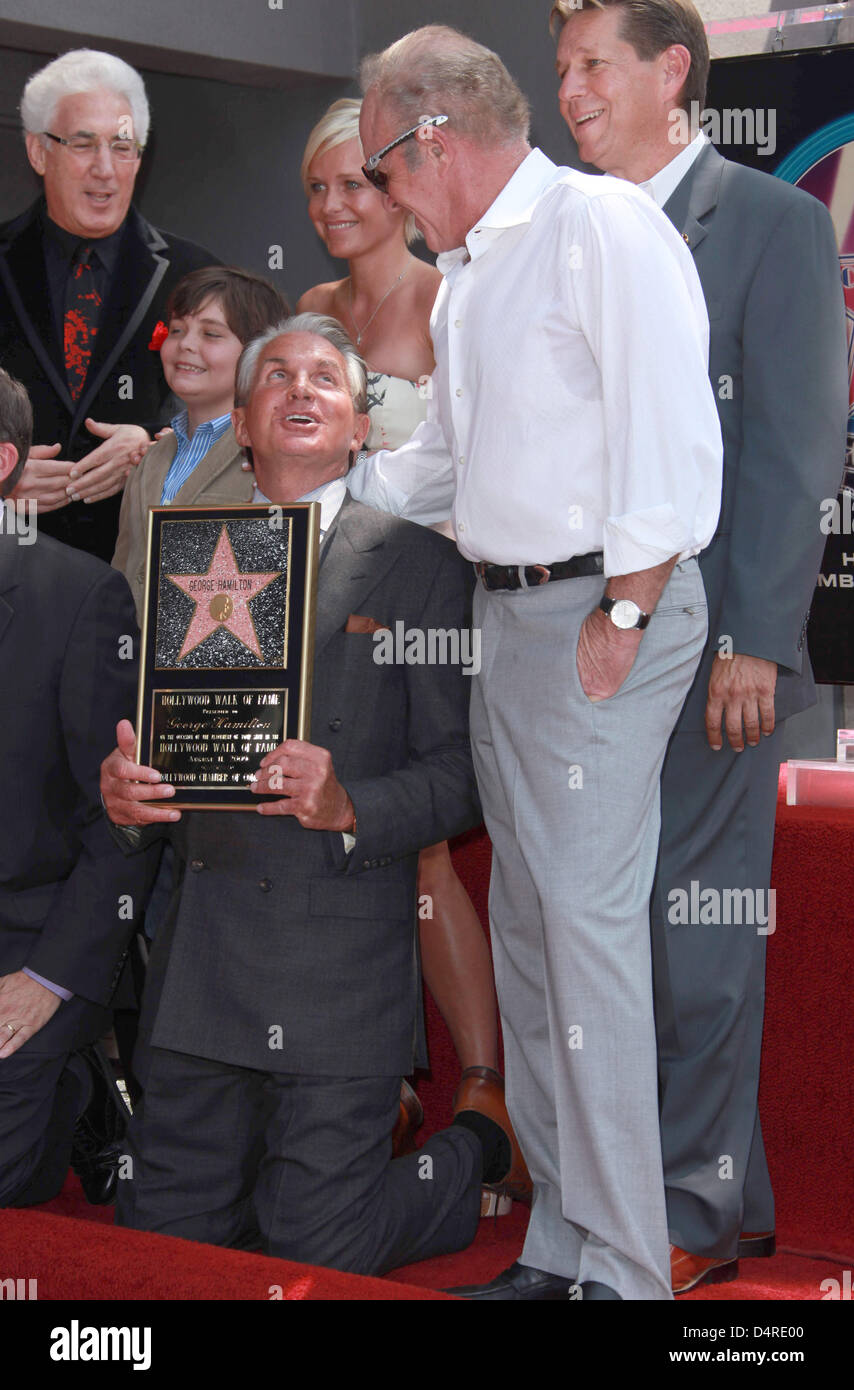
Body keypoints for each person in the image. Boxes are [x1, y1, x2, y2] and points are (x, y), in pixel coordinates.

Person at [349, 25, 723, 1301]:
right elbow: (443, 466)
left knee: (583, 933)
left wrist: (621, 618)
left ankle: (626, 1272)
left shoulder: (598, 228)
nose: (382, 201)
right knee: (530, 933)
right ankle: (565, 1245)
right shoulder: (472, 276)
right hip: (510, 621)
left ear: (429, 140)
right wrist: (319, 484)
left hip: (597, 614)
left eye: (382, 174)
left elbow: (673, 438)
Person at [99, 314, 529, 1273]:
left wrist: (351, 806)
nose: (299, 391)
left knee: (317, 1248)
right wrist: (126, 796)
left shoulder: (421, 565)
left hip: (340, 972)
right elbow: (150, 751)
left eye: (325, 380)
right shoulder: (189, 557)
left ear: (360, 426)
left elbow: (464, 776)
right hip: (202, 964)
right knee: (170, 1253)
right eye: (277, 377)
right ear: (242, 424)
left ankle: (473, 1151)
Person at [550, 0, 848, 1293]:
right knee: (608, 937)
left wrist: (755, 639)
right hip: (583, 651)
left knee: (691, 933)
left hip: (713, 654)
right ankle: (712, 1191)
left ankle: (689, 1202)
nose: (566, 92)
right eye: (555, 70)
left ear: (672, 73)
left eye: (590, 67)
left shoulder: (771, 222)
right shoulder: (566, 232)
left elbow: (790, 449)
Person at [297, 97, 503, 1144]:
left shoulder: (450, 299)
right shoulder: (310, 306)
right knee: (328, 834)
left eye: (352, 183)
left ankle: (481, 1091)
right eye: (316, 189)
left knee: (416, 843)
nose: (334, 204)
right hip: (327, 612)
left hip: (435, 602)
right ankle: (364, 1074)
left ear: (392, 186)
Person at [0, 366, 152, 1210]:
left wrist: (48, 980)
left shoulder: (80, 599)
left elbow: (123, 822)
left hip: (20, 954)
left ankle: (77, 1073)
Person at [0, 48, 220, 563]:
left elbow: (242, 415)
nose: (105, 170)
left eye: (122, 147)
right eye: (82, 144)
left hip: (146, 573)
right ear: (38, 151)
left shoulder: (200, 273)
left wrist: (152, 447)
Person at [113, 265, 290, 621]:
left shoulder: (268, 458)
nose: (186, 345)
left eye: (211, 334)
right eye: (177, 330)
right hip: (129, 661)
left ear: (258, 356)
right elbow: (122, 569)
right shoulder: (151, 458)